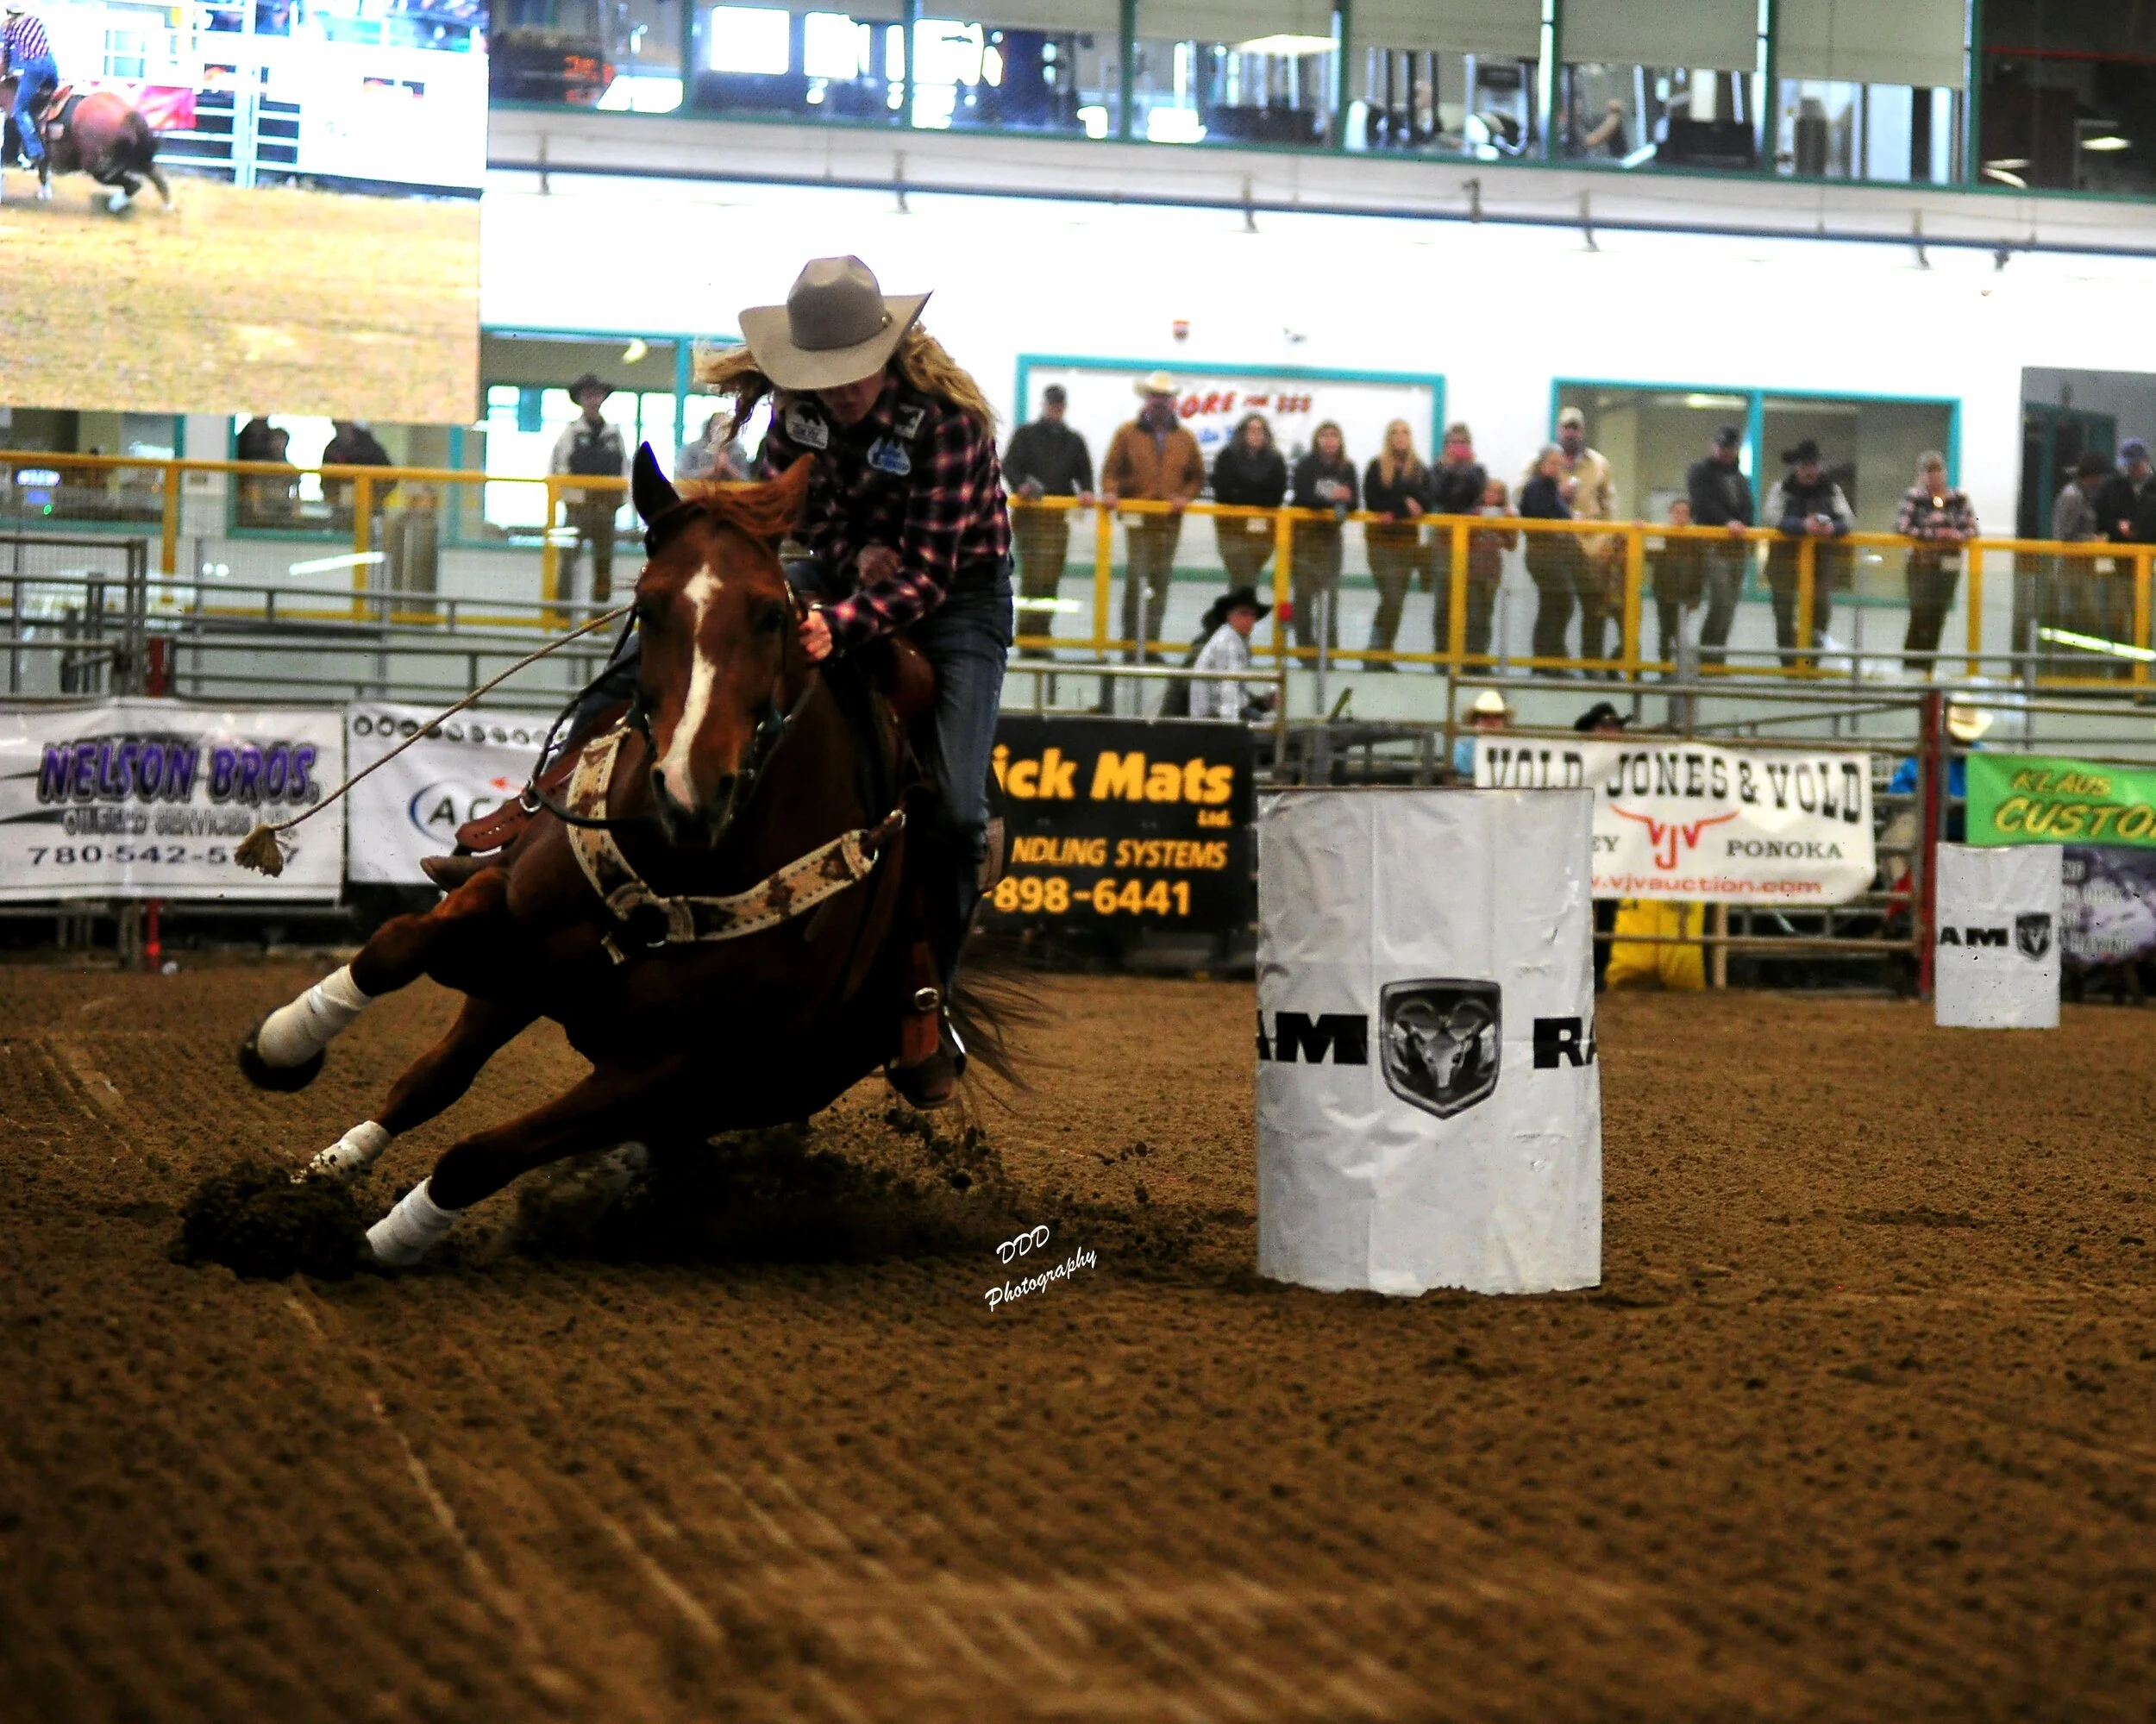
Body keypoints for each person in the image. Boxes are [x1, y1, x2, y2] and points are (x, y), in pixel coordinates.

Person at [632, 255, 1012, 1106]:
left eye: (851, 374)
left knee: (953, 808)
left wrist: (836, 620)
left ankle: (930, 1000)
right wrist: (847, 563)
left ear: (887, 352)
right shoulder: (797, 416)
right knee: (698, 635)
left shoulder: (950, 426)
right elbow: (793, 523)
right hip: (840, 575)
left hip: (957, 603)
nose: (837, 392)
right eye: (821, 375)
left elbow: (928, 577)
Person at [1100, 372, 1204, 661]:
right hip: (1138, 519)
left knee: (1160, 580)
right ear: (1147, 399)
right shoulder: (1127, 434)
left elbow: (1197, 476)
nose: (1159, 402)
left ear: (1172, 402)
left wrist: (1185, 496)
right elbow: (1110, 472)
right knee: (1137, 578)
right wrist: (1111, 492)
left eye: (1164, 397)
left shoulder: (1185, 439)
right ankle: (1131, 644)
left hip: (1169, 522)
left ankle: (1152, 644)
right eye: (1154, 396)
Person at [1001, 383, 1094, 655]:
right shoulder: (1026, 435)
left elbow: (1085, 473)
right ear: (1044, 405)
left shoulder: (1074, 441)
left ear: (1064, 408)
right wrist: (1020, 486)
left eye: (1059, 405)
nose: (1055, 409)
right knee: (1032, 578)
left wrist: (1087, 490)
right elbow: (1009, 465)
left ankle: (1042, 634)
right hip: (1029, 518)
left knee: (1051, 579)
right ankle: (1028, 637)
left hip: (1057, 520)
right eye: (1052, 404)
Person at [1542, 406, 1618, 666]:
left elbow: (1609, 506)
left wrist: (1606, 540)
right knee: (1555, 602)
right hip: (1555, 545)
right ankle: (1550, 663)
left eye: (1575, 428)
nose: (1571, 433)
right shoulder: (1543, 461)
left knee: (1594, 605)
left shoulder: (1599, 464)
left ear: (1582, 431)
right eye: (1566, 427)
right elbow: (1523, 496)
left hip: (1591, 546)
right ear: (1558, 430)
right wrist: (1555, 497)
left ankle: (1591, 663)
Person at [1764, 439, 1852, 661]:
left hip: (1820, 565)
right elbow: (1771, 517)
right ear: (1796, 467)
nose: (1809, 470)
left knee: (1820, 614)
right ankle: (1790, 665)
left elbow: (1848, 520)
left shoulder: (1832, 490)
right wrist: (1802, 526)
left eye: (1813, 465)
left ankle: (1811, 664)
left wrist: (1832, 528)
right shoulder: (1781, 489)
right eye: (1805, 465)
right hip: (1783, 564)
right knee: (1783, 614)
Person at [549, 373, 630, 608]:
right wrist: (570, 499)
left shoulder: (614, 434)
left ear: (603, 397)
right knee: (568, 562)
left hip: (607, 509)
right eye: (587, 395)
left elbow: (624, 467)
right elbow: (558, 467)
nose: (593, 400)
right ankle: (562, 616)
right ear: (579, 399)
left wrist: (619, 500)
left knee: (604, 565)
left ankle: (598, 618)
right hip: (578, 508)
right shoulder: (571, 433)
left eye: (596, 394)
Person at [1895, 451, 1978, 677]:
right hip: (1920, 565)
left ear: (1945, 472)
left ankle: (1927, 668)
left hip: (1948, 567)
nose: (1934, 476)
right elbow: (1901, 527)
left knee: (1937, 616)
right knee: (1919, 613)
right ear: (1921, 475)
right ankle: (1911, 667)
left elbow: (1973, 529)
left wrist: (1956, 535)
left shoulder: (1960, 498)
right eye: (1928, 471)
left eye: (1937, 470)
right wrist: (1933, 534)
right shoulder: (1913, 497)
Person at [1685, 425, 1756, 668]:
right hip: (1713, 544)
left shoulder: (1740, 477)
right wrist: (1728, 523)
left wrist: (1744, 527)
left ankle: (1716, 656)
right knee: (1722, 601)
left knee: (1730, 603)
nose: (1725, 452)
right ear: (1713, 445)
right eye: (1721, 447)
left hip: (1737, 547)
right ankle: (1708, 656)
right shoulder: (1700, 472)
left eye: (1729, 447)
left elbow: (1748, 507)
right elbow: (1702, 503)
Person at [1361, 419, 1428, 667]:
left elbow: (1426, 501)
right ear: (1388, 437)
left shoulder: (1419, 468)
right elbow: (1374, 500)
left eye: (1405, 432)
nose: (1400, 437)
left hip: (1407, 543)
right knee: (1391, 596)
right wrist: (1404, 506)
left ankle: (1382, 653)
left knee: (1397, 600)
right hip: (1380, 542)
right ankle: (1374, 651)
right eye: (1395, 433)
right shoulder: (1376, 466)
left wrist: (1399, 508)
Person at [1288, 421, 1357, 653]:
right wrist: (1332, 496)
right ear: (1317, 439)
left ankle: (1329, 650)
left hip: (1332, 539)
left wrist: (1345, 500)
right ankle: (1305, 649)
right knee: (1304, 596)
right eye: (1324, 435)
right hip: (1306, 538)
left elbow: (1354, 502)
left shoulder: (1347, 468)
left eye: (1334, 435)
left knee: (1330, 596)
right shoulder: (1306, 466)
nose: (1329, 440)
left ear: (1340, 441)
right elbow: (1303, 496)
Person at [1518, 444, 1583, 666]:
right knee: (1563, 600)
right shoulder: (1538, 486)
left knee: (1552, 604)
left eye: (1559, 463)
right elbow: (1540, 515)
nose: (1557, 467)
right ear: (1542, 464)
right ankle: (1551, 656)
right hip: (1543, 554)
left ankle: (1547, 657)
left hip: (1552, 554)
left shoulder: (1552, 488)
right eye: (1552, 463)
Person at [1208, 412, 1288, 588]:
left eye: (1261, 430)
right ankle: (1242, 614)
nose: (1256, 434)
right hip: (1231, 532)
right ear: (1241, 433)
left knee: (1247, 578)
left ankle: (1242, 614)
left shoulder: (1276, 460)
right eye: (1251, 429)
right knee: (1242, 577)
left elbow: (1275, 496)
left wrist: (1242, 493)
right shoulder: (1227, 457)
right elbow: (1223, 493)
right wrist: (1254, 496)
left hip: (1263, 534)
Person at [2047, 449, 2114, 661]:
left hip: (2083, 569)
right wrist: (2091, 540)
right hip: (2070, 571)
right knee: (2076, 620)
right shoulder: (2073, 496)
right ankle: (2067, 666)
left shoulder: (2085, 494)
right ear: (2093, 475)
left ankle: (2082, 666)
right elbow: (2063, 535)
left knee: (2085, 619)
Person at [1187, 586, 1275, 721]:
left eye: (1252, 615)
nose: (1249, 620)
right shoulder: (1228, 642)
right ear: (1230, 616)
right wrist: (1232, 726)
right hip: (1213, 718)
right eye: (1244, 614)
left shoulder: (1232, 638)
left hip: (1214, 715)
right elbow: (1228, 687)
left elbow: (1235, 690)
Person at [1463, 475, 1515, 661]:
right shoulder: (1474, 513)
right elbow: (1464, 539)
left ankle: (1481, 657)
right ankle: (1469, 657)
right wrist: (1480, 522)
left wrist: (1507, 524)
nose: (1492, 496)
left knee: (1486, 616)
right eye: (1489, 491)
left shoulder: (1506, 515)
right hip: (1472, 571)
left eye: (1497, 493)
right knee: (1474, 616)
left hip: (1492, 572)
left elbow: (1512, 545)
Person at [1648, 497, 1704, 670]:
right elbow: (1649, 557)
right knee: (1665, 631)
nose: (1680, 516)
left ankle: (1680, 669)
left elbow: (1701, 570)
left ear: (1690, 516)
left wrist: (1696, 597)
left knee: (1680, 631)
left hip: (1685, 593)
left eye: (1685, 513)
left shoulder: (1696, 538)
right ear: (1670, 514)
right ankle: (1664, 668)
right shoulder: (1662, 534)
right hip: (1664, 593)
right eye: (1677, 512)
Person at [3, 3, 57, 172]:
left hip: (34, 68)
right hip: (51, 65)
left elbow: (6, 53)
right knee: (52, 98)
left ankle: (35, 151)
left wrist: (6, 71)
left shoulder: (10, 28)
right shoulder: (36, 21)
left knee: (20, 110)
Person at [321, 419, 392, 530]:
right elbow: (325, 483)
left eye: (343, 424)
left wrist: (375, 496)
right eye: (338, 425)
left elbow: (390, 478)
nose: (341, 428)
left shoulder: (371, 448)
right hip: (342, 514)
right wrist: (335, 497)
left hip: (369, 512)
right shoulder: (331, 450)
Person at [1451, 686, 1511, 776]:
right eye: (1485, 715)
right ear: (1475, 720)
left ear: (1504, 721)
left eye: (1498, 716)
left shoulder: (1513, 745)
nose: (1492, 721)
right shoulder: (1462, 748)